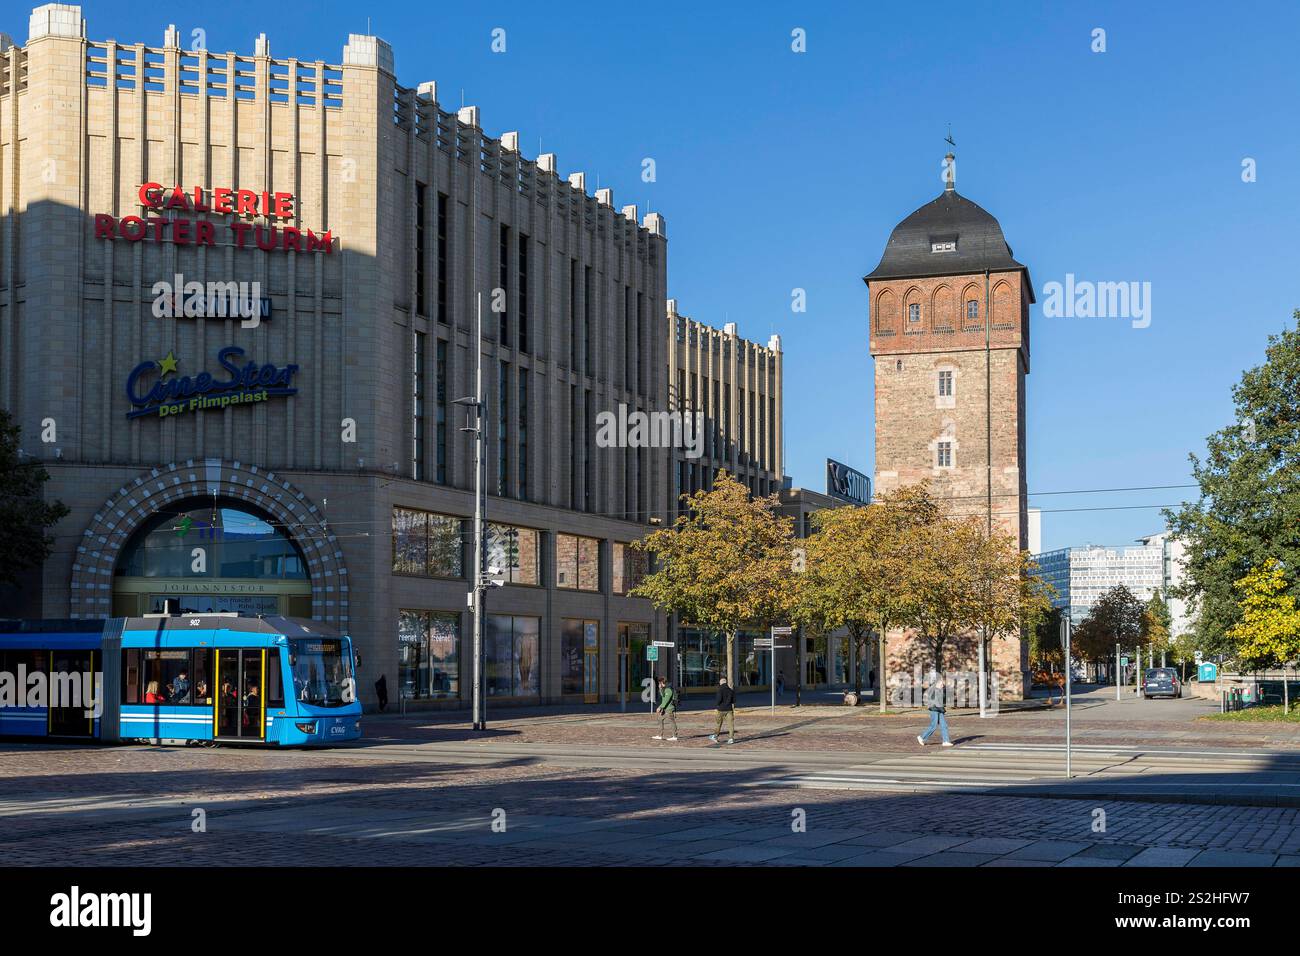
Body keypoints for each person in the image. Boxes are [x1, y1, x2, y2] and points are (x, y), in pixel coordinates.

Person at [917, 672, 954, 747]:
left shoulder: (939, 690)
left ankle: (946, 741)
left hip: (939, 709)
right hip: (934, 710)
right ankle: (922, 737)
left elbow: (942, 699)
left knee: (944, 725)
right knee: (933, 726)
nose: (942, 684)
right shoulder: (932, 690)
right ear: (936, 683)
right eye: (941, 683)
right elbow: (932, 701)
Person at [708, 676, 737, 744]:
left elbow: (718, 700)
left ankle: (715, 736)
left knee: (718, 724)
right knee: (730, 725)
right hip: (729, 709)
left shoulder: (719, 690)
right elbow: (734, 701)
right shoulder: (731, 690)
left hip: (720, 709)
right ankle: (731, 738)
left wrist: (717, 705)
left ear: (721, 682)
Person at [651, 677, 679, 741]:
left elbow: (666, 700)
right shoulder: (665, 689)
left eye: (660, 683)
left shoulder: (668, 690)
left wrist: (660, 707)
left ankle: (674, 736)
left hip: (669, 709)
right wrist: (660, 689)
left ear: (663, 683)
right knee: (660, 719)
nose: (659, 684)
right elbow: (663, 696)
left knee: (672, 722)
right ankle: (660, 735)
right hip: (665, 708)